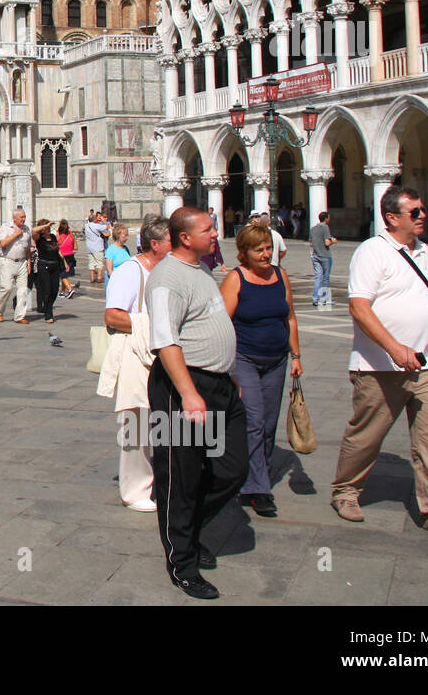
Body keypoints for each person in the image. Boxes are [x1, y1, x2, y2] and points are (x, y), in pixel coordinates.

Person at [330, 186, 428, 542]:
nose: (423, 215)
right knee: (367, 436)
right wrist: (394, 347)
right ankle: (346, 492)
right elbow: (359, 307)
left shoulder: (423, 251)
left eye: (423, 210)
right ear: (392, 218)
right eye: (415, 212)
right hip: (379, 367)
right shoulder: (372, 252)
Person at [145, 207, 247, 600]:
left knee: (231, 467)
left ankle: (189, 529)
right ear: (185, 237)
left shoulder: (201, 269)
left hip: (218, 384)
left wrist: (229, 372)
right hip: (182, 387)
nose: (215, 232)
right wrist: (189, 393)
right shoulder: (167, 279)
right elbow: (166, 341)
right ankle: (182, 564)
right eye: (208, 228)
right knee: (179, 477)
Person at [220, 223, 302, 519]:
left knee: (268, 423)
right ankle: (259, 488)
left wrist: (296, 355)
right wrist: (226, 365)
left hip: (277, 359)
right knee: (253, 420)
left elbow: (290, 317)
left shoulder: (281, 276)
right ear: (244, 253)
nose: (266, 254)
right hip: (245, 359)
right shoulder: (235, 278)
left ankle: (256, 476)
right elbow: (223, 323)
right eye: (259, 250)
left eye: (268, 248)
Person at [102, 215, 171, 512]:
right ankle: (134, 488)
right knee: (136, 421)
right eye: (172, 239)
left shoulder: (170, 270)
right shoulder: (131, 272)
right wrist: (157, 324)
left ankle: (162, 477)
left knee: (165, 421)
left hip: (165, 353)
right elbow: (113, 316)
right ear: (154, 244)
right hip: (137, 354)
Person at [0, 208, 33, 324]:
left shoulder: (26, 229)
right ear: (14, 218)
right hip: (7, 261)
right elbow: (3, 244)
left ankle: (20, 316)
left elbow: (27, 248)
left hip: (22, 262)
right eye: (22, 217)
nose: (24, 219)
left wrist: (29, 262)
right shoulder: (6, 228)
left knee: (23, 290)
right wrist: (15, 234)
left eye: (24, 217)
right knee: (7, 288)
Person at [31, 220, 62, 325]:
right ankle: (48, 313)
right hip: (44, 266)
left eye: (49, 227)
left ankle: (47, 307)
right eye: (46, 227)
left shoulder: (53, 237)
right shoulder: (39, 239)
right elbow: (33, 231)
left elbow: (57, 251)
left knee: (55, 290)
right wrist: (45, 226)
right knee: (47, 290)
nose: (49, 228)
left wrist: (64, 262)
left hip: (55, 265)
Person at [310, 211, 336, 307]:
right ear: (326, 219)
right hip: (325, 255)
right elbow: (327, 243)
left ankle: (315, 298)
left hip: (315, 255)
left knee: (318, 277)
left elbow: (311, 244)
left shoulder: (313, 229)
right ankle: (325, 299)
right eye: (328, 218)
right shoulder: (325, 227)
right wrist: (333, 241)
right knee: (326, 278)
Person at [55, 219, 78, 298]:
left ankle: (70, 289)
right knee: (65, 274)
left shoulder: (58, 236)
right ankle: (62, 292)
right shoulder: (71, 236)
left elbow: (56, 246)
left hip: (62, 256)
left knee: (62, 274)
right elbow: (75, 247)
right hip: (70, 256)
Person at [84, 210, 108, 286]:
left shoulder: (86, 225)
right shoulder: (96, 226)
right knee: (99, 262)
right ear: (94, 219)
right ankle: (99, 277)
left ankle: (92, 278)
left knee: (91, 263)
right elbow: (106, 227)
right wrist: (104, 220)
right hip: (97, 247)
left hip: (89, 247)